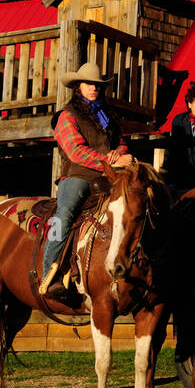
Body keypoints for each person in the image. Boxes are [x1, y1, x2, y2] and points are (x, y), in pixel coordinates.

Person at [40, 62, 134, 297]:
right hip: (78, 175)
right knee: (63, 215)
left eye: (97, 85)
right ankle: (48, 274)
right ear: (78, 87)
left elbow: (120, 141)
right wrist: (109, 161)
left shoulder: (108, 115)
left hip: (110, 175)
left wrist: (119, 152)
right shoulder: (66, 116)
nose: (93, 88)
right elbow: (75, 152)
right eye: (88, 84)